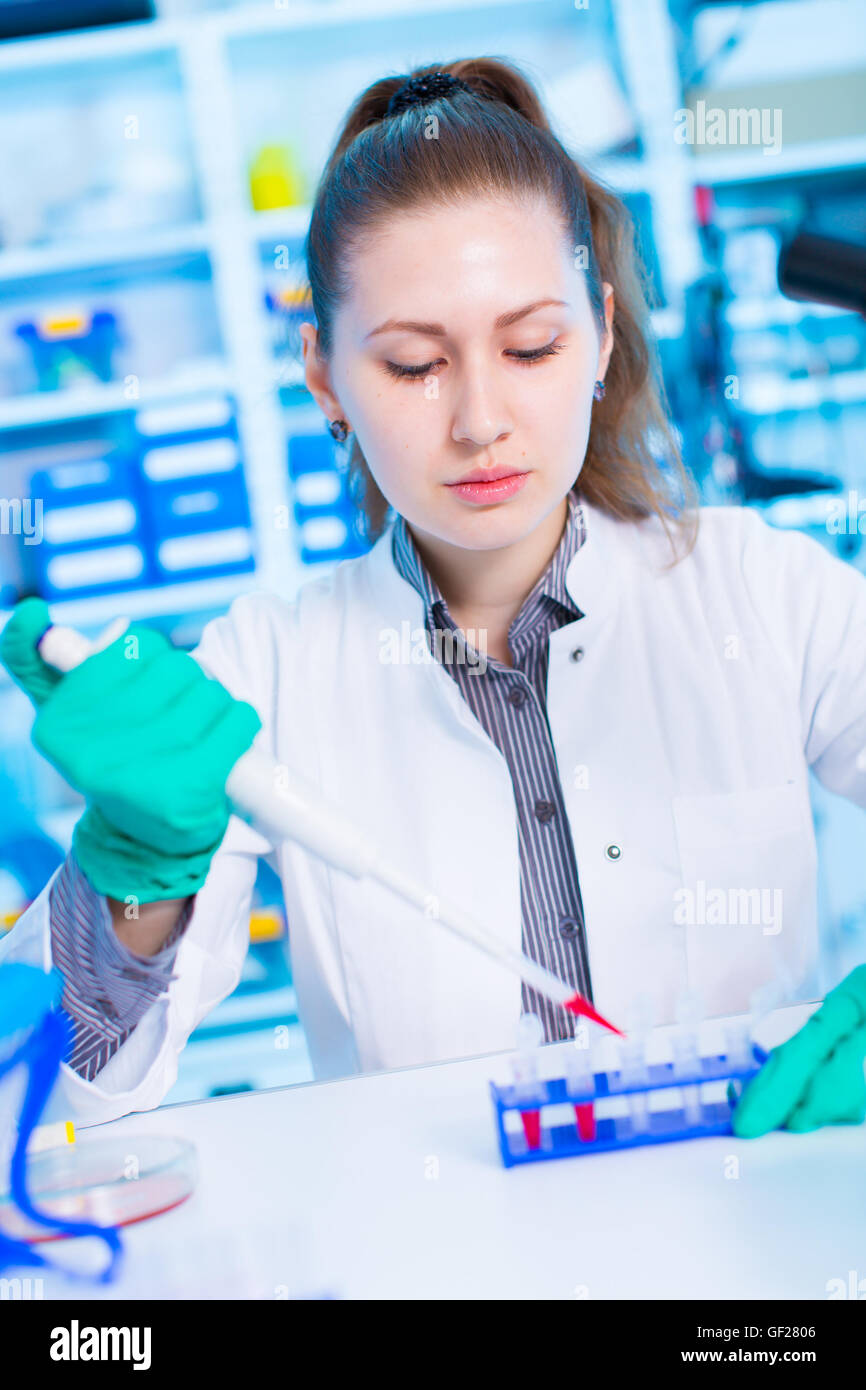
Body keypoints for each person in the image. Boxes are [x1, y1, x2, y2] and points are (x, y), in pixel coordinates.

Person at [1, 60, 865, 1135]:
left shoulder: (762, 590)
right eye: (413, 364)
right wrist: (132, 880)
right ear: (322, 377)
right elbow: (36, 1101)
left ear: (597, 333)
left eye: (530, 345)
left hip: (759, 1245)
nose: (478, 419)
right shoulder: (262, 665)